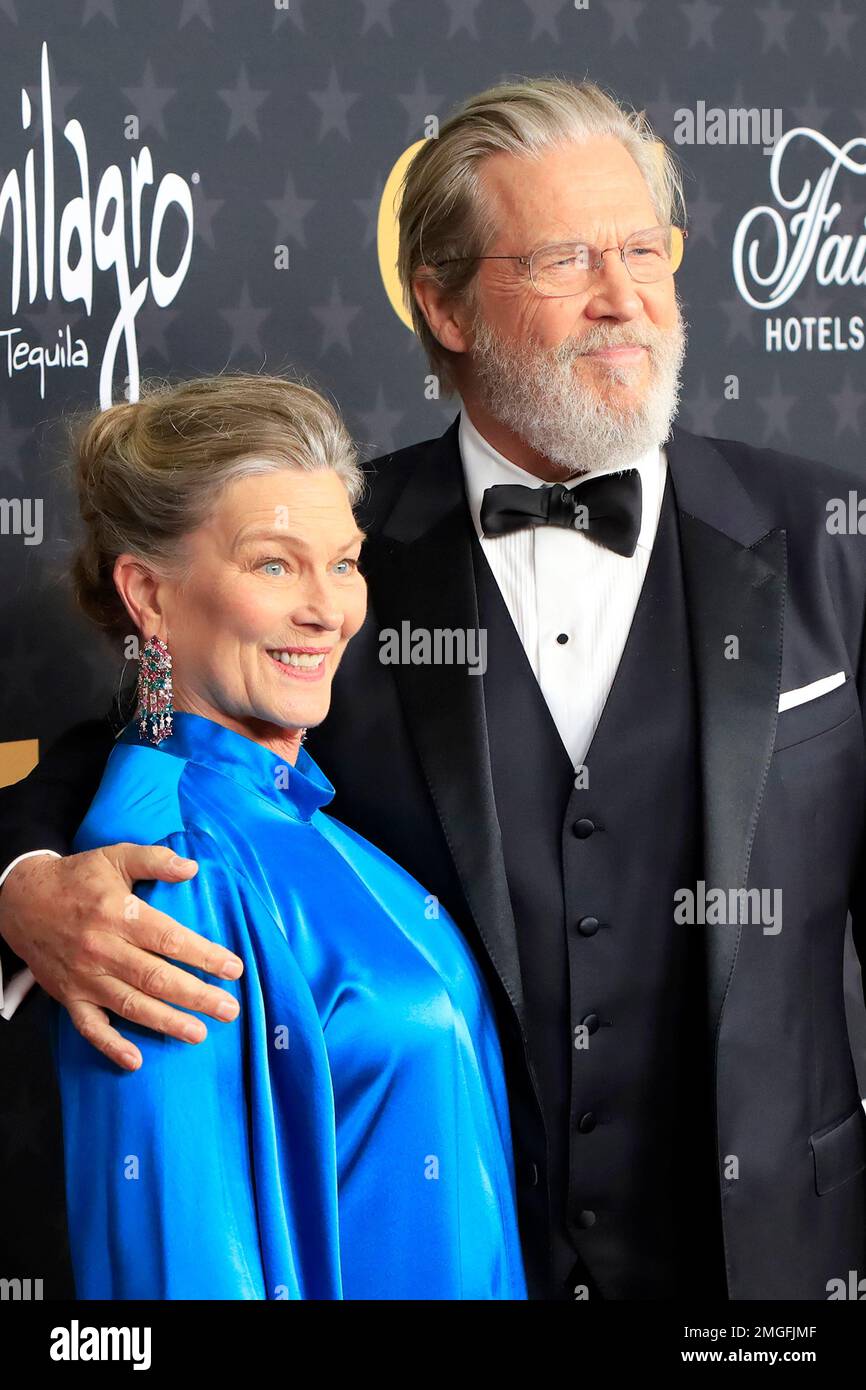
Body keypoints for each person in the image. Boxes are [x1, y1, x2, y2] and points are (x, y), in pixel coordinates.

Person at [2, 75, 866, 1302]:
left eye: (642, 250)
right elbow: (143, 752)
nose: (624, 299)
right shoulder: (336, 558)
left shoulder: (826, 537)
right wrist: (25, 881)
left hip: (776, 1273)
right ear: (443, 304)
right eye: (566, 258)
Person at [31, 373, 529, 1300]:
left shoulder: (312, 825)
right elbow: (176, 1275)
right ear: (149, 594)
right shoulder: (165, 869)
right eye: (273, 564)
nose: (327, 609)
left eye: (343, 563)